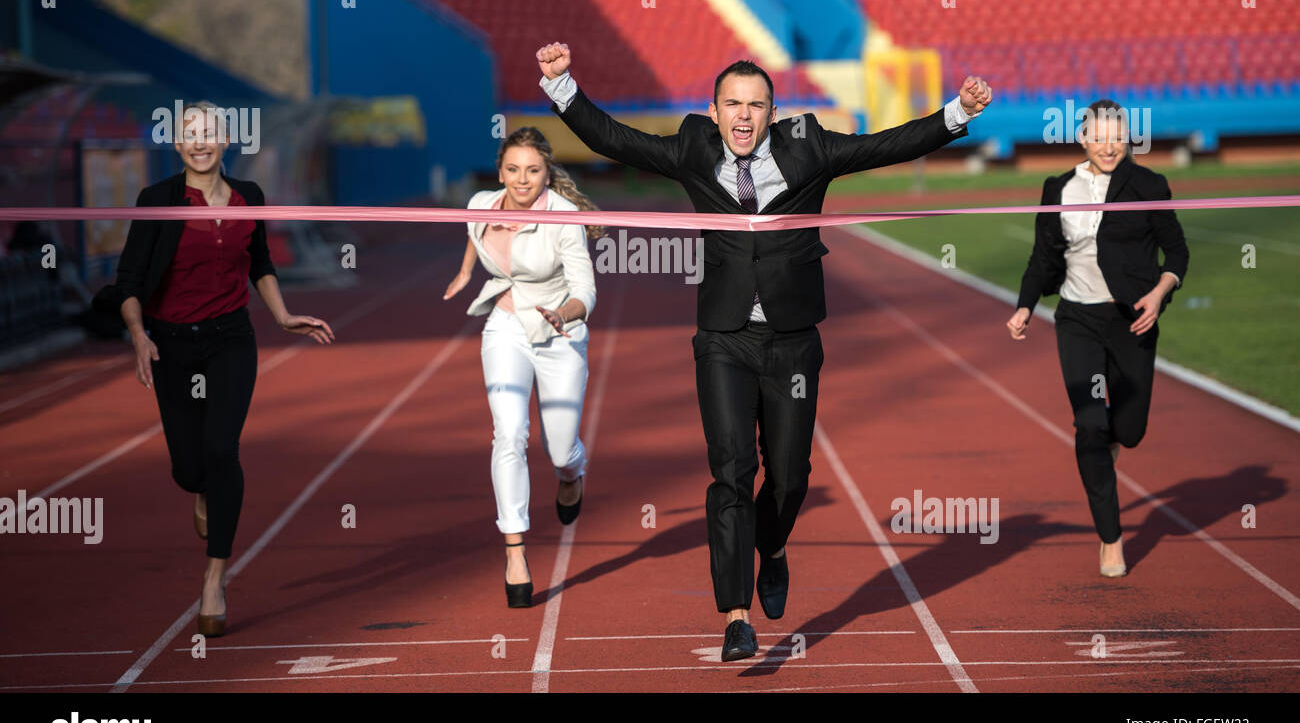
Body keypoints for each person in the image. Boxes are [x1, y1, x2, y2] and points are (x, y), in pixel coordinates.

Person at [535, 41, 992, 660]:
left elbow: (887, 145)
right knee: (730, 472)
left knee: (790, 477)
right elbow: (615, 139)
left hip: (793, 341)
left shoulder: (811, 148)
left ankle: (773, 546)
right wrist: (564, 84)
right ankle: (735, 616)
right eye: (732, 105)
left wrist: (955, 114)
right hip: (723, 338)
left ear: (772, 113)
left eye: (756, 105)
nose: (744, 116)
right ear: (714, 110)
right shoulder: (692, 147)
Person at [94, 102, 334, 636]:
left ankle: (214, 579)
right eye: (189, 135)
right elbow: (129, 278)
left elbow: (261, 265)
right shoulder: (157, 200)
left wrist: (284, 315)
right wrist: (138, 335)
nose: (199, 143)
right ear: (177, 144)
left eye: (208, 134)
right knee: (189, 469)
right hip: (173, 345)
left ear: (225, 141)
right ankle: (201, 486)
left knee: (223, 450)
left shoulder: (251, 197)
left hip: (231, 339)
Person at [1007, 99, 1189, 577]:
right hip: (1077, 321)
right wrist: (1026, 305)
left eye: (1117, 137)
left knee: (1128, 432)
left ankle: (1111, 439)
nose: (1109, 146)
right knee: (1091, 425)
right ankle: (1111, 538)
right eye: (1099, 137)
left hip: (1131, 321)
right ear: (1082, 139)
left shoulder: (1148, 185)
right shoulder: (1058, 188)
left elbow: (1177, 253)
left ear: (1127, 139)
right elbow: (1042, 258)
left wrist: (1159, 293)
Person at [443, 126, 600, 608]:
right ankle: (515, 552)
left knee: (559, 449)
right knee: (509, 434)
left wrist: (564, 315)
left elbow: (585, 290)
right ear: (500, 171)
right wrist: (468, 270)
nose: (522, 180)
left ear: (546, 172)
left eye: (532, 171)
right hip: (506, 324)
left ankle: (571, 476)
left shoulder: (565, 216)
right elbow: (475, 232)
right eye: (513, 170)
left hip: (557, 329)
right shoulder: (480, 203)